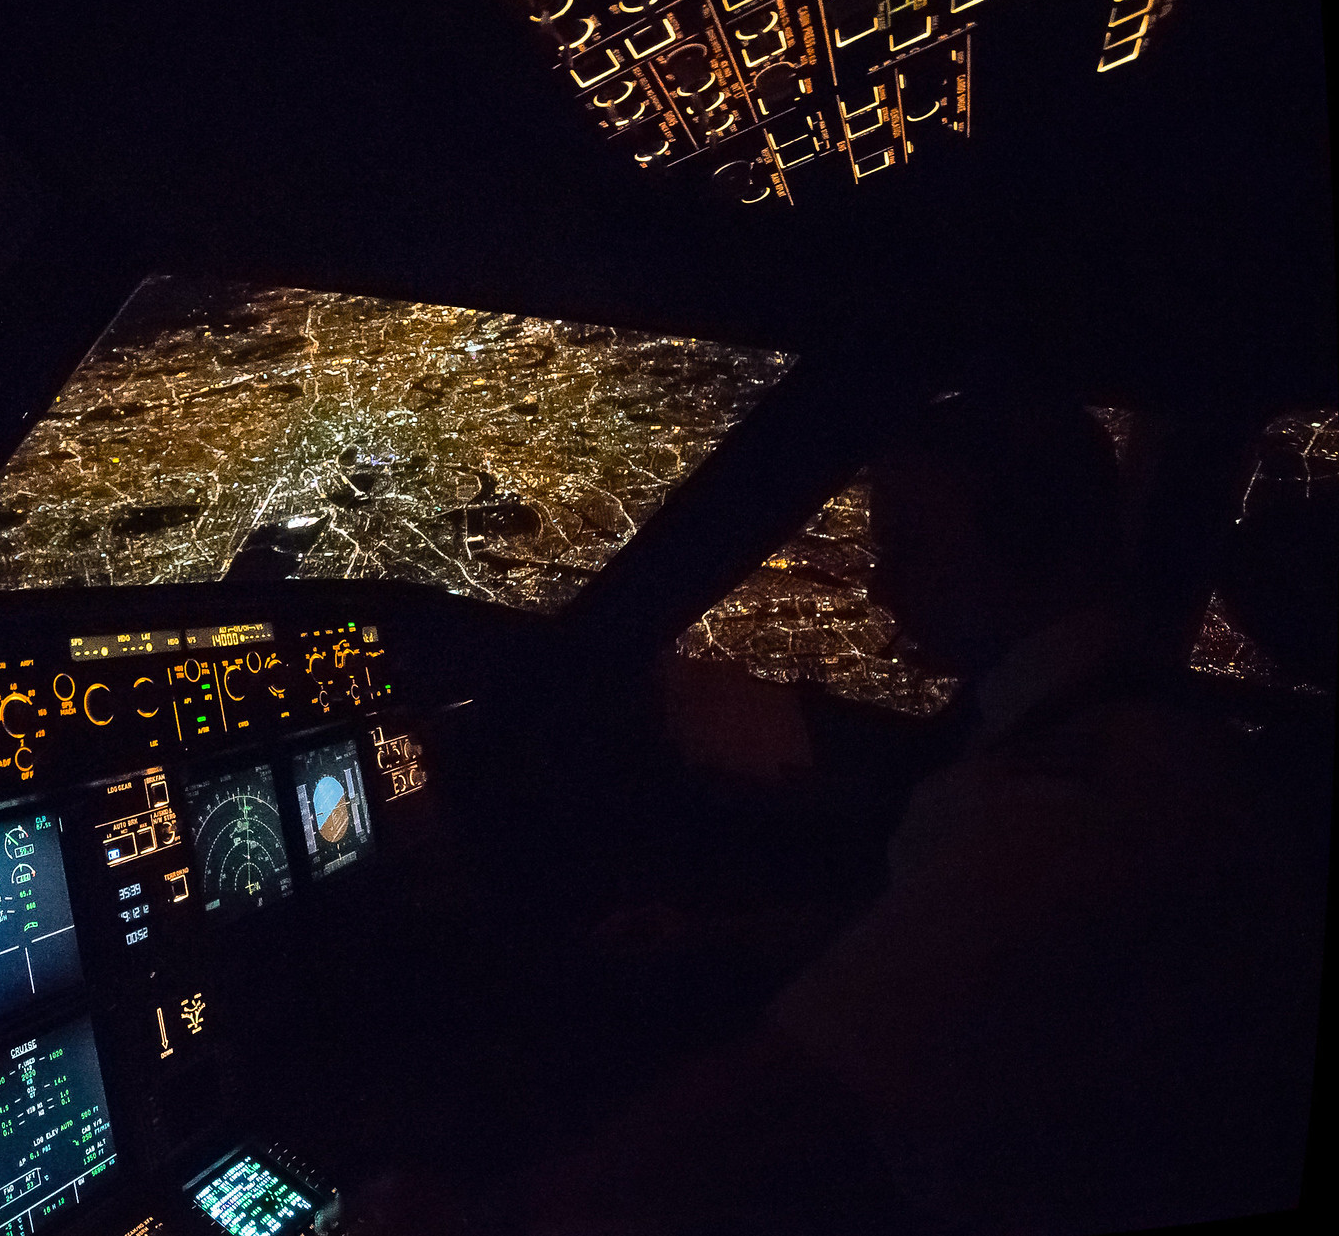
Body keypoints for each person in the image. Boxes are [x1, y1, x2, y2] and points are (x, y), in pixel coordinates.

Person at [365, 393, 1322, 1235]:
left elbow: (783, 1097)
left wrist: (490, 1217)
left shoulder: (1053, 801)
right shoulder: (1142, 727)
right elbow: (955, 939)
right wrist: (730, 935)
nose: (880, 585)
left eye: (909, 547)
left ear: (1034, 542)